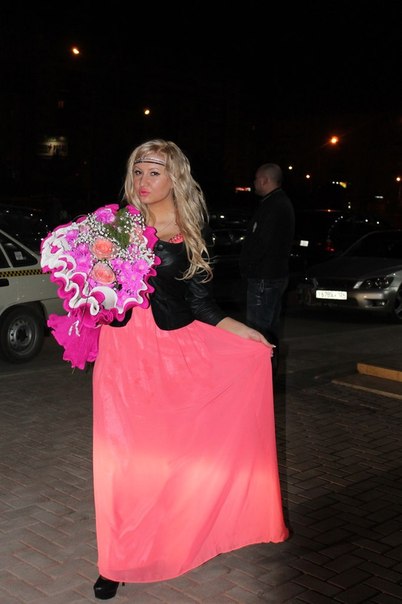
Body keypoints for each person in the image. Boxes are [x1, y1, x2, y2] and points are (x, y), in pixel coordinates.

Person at [91, 140, 289, 599]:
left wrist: (246, 332)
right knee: (119, 461)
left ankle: (167, 535)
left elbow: (201, 304)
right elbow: (95, 285)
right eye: (138, 171)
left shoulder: (189, 230)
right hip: (121, 352)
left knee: (164, 457)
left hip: (169, 353)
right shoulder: (115, 224)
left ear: (174, 177)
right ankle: (116, 560)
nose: (143, 181)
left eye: (154, 172)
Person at [239, 163, 295, 376]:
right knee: (269, 327)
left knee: (258, 329)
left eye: (256, 179)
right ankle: (268, 371)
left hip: (264, 277)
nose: (254, 183)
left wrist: (247, 267)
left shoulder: (274, 206)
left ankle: (260, 373)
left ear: (264, 180)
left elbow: (262, 243)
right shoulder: (279, 203)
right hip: (273, 275)